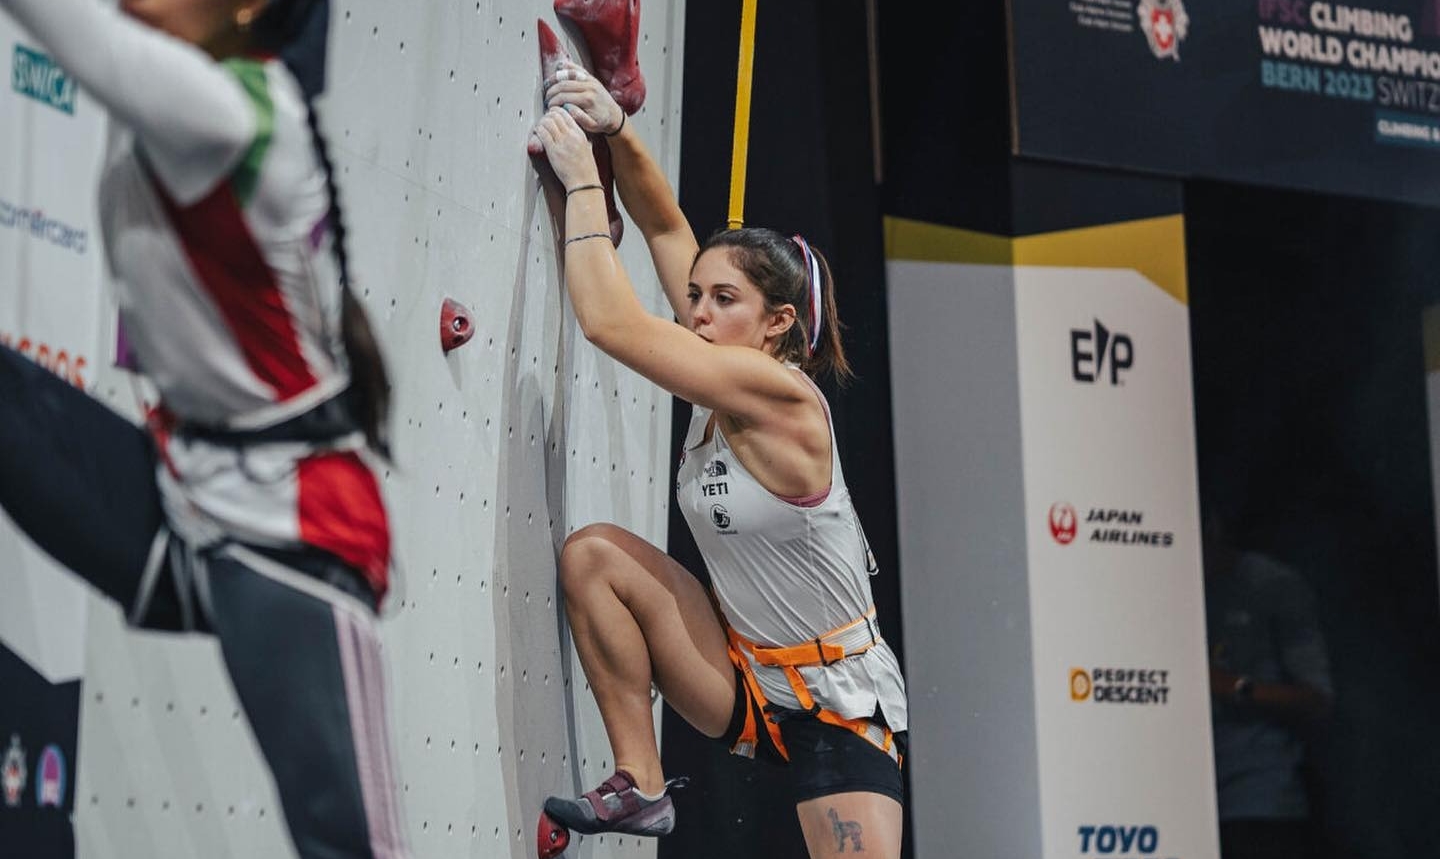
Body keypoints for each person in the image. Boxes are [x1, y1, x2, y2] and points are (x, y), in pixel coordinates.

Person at [0, 1, 410, 857]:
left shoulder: (235, 111)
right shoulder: (206, 96)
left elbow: (77, 32)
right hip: (182, 492)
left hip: (292, 536)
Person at [530, 61, 909, 859]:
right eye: (694, 296)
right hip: (741, 683)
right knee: (592, 556)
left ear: (776, 324)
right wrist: (617, 130)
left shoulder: (780, 396)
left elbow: (609, 322)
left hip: (837, 710)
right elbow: (669, 229)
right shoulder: (716, 352)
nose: (697, 312)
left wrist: (582, 187)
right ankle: (640, 780)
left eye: (721, 300)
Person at [1203, 512, 1333, 859]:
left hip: (1260, 802)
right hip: (1184, 799)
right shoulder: (1163, 589)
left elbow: (1317, 698)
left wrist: (1235, 687)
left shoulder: (1270, 584)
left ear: (1211, 529)